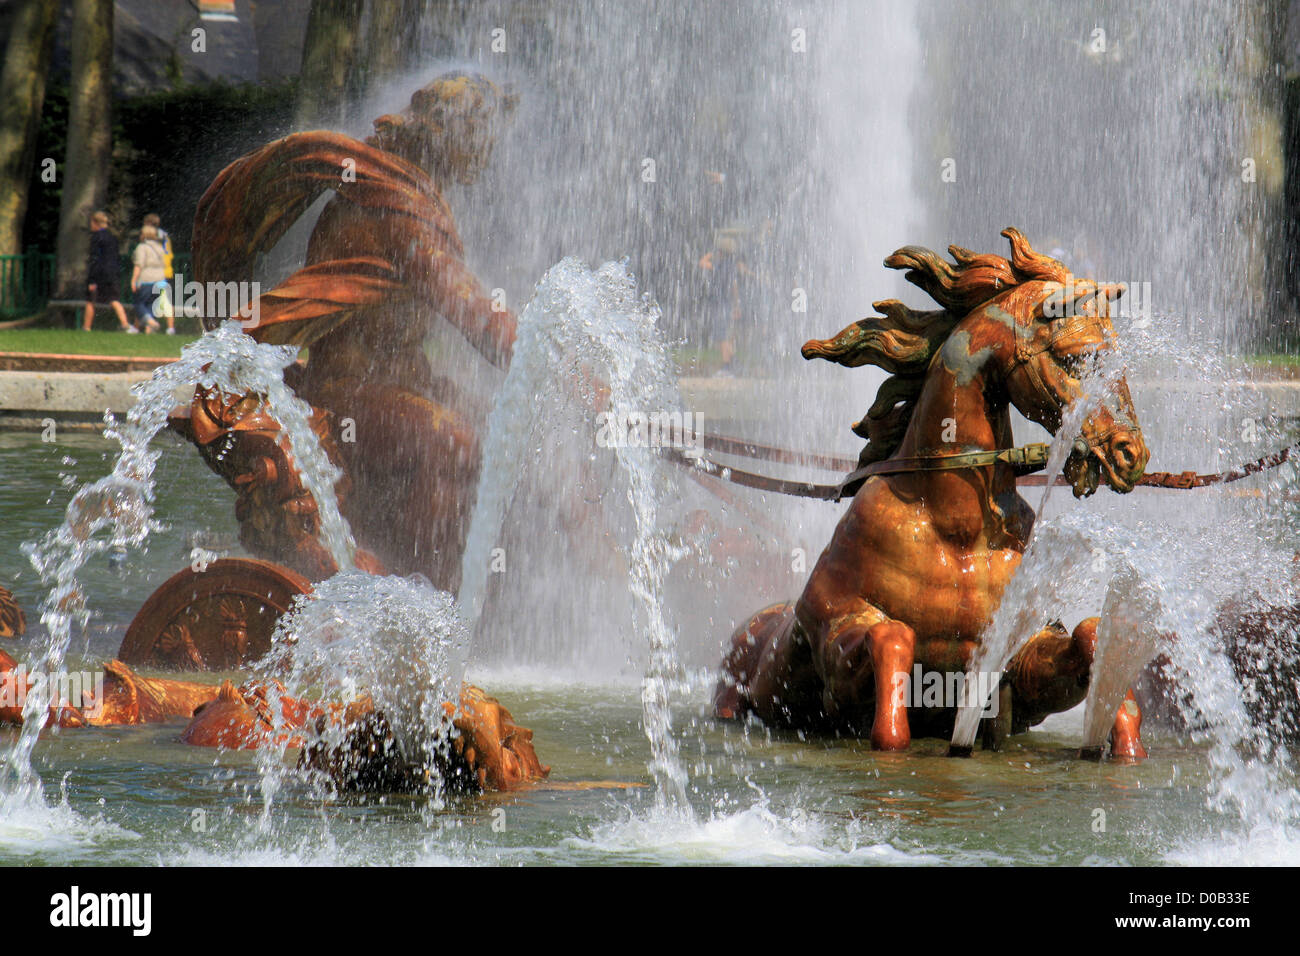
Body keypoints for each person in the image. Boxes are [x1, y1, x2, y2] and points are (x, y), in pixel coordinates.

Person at [82, 211, 131, 331]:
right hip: (112, 272)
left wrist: (92, 279)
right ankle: (125, 324)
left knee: (90, 300)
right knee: (114, 299)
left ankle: (86, 327)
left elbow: (95, 258)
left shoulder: (96, 237)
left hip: (100, 273)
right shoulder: (112, 238)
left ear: (95, 223)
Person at [142, 213, 176, 333]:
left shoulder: (152, 235)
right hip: (167, 270)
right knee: (166, 300)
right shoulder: (165, 235)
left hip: (157, 271)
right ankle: (170, 328)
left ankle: (148, 327)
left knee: (147, 300)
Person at [129, 223, 166, 333]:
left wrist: (133, 280)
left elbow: (139, 265)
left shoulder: (142, 247)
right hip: (160, 280)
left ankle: (150, 322)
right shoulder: (160, 247)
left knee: (138, 303)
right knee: (151, 304)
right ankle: (149, 330)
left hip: (146, 280)